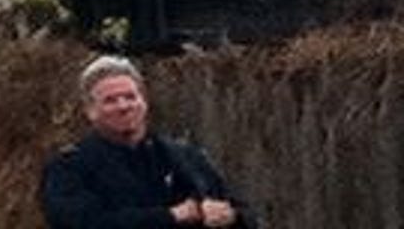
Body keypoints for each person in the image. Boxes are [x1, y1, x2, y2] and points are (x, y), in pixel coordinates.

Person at [40, 55, 254, 228]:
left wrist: (229, 216)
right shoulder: (70, 167)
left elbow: (241, 211)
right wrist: (170, 216)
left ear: (144, 102)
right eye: (110, 101)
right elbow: (83, 223)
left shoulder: (183, 155)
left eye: (130, 96)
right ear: (90, 111)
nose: (124, 106)